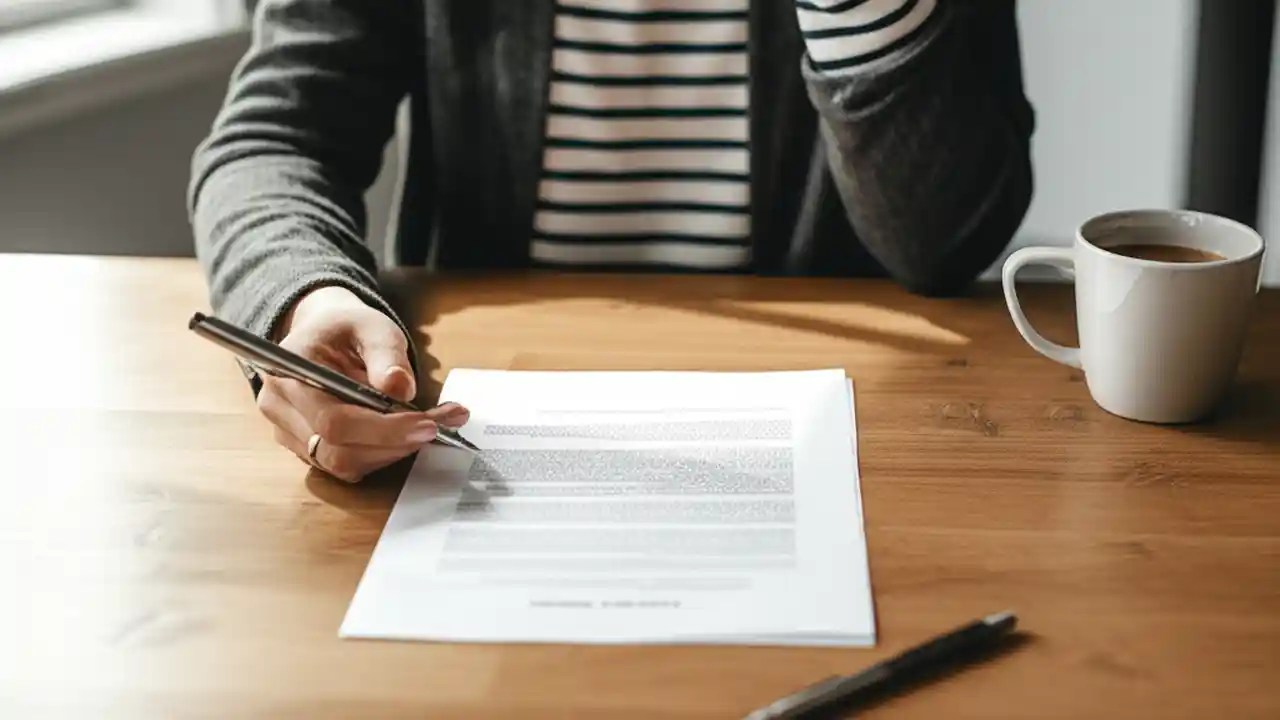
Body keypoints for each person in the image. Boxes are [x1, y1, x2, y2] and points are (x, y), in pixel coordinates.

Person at [191, 0, 1035, 482]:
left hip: (843, 457)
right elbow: (273, 141)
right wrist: (310, 297)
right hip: (474, 445)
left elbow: (943, 239)